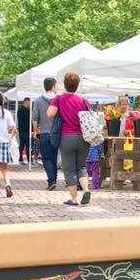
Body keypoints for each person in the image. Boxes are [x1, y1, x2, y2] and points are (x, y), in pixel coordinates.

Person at [47, 72, 92, 206]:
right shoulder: (83, 100)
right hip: (83, 138)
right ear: (77, 85)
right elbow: (90, 117)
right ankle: (86, 190)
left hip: (66, 137)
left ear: (64, 84)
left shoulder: (59, 98)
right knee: (81, 166)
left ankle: (73, 199)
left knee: (69, 169)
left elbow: (50, 114)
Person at [34, 77, 59, 190]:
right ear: (53, 86)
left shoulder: (38, 100)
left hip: (44, 132)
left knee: (46, 158)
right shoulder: (59, 99)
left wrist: (35, 131)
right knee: (54, 157)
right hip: (57, 133)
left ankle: (51, 180)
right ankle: (54, 179)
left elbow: (35, 118)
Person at [16, 96, 34, 164]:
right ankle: (29, 160)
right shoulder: (26, 110)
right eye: (30, 102)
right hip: (26, 130)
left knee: (22, 145)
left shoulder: (19, 110)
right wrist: (32, 129)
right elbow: (28, 121)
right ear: (27, 102)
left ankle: (21, 159)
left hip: (21, 130)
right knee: (28, 145)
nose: (30, 104)